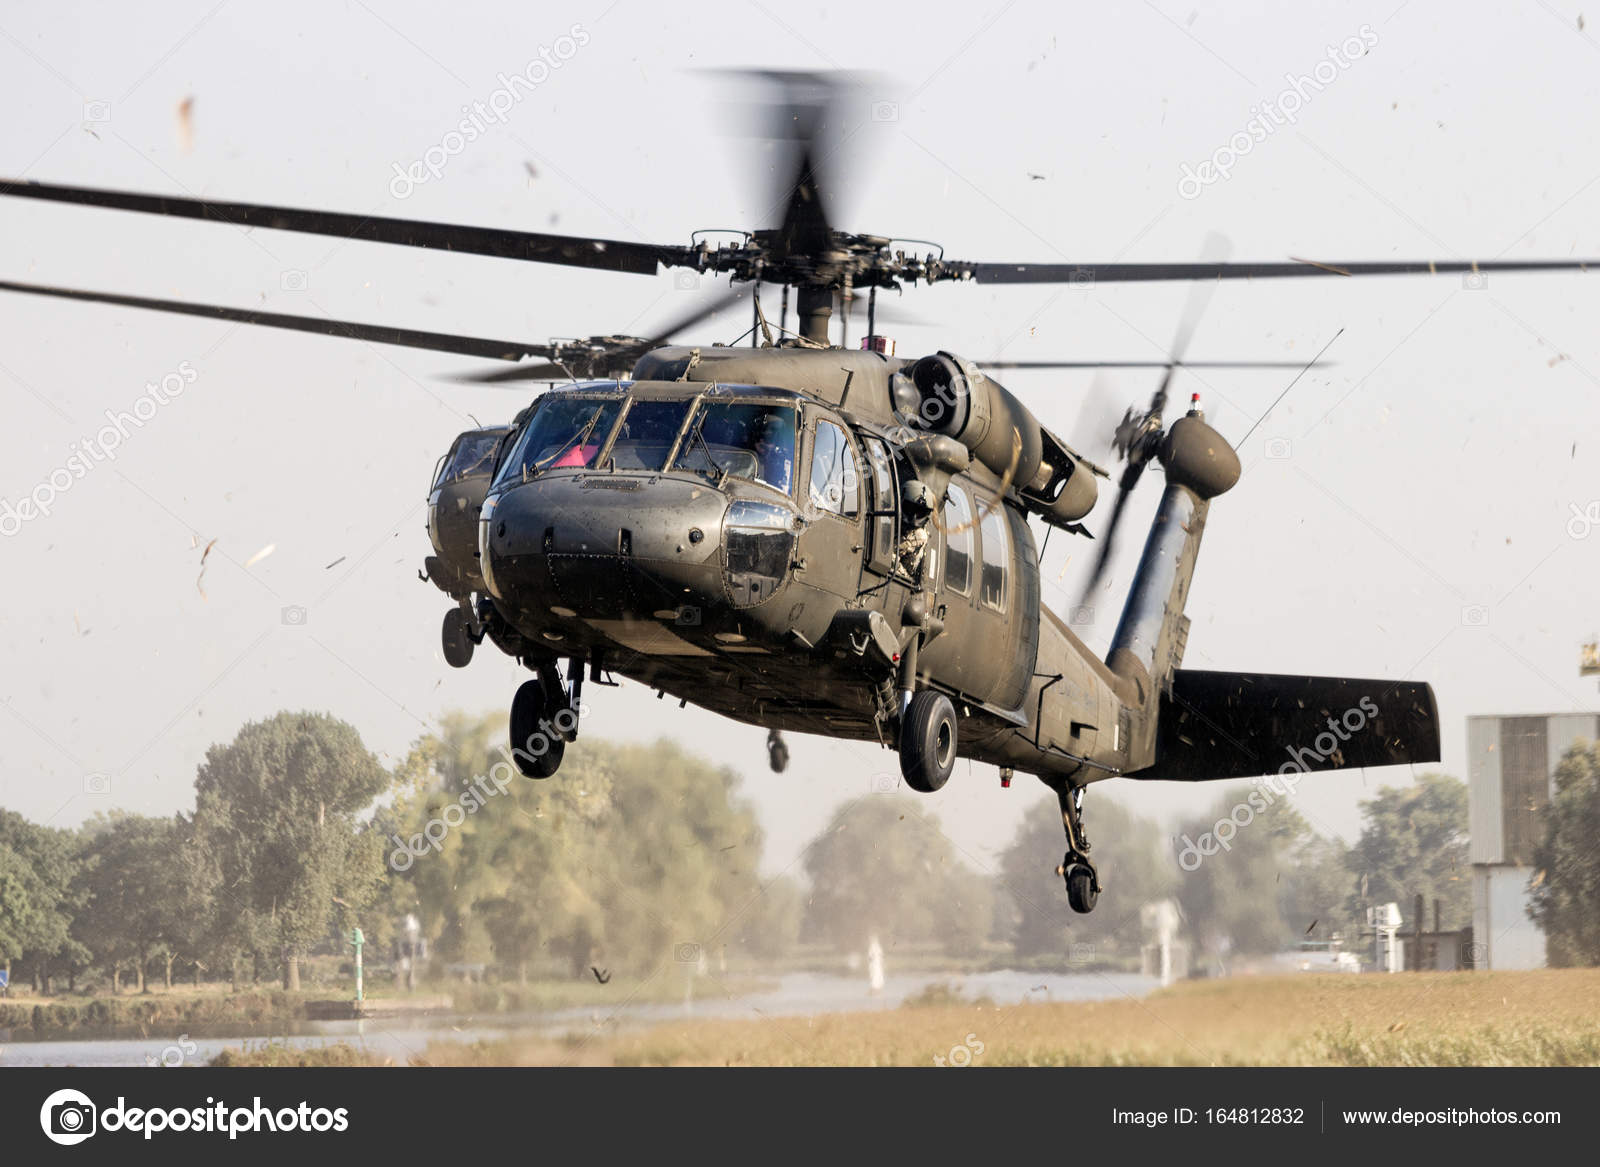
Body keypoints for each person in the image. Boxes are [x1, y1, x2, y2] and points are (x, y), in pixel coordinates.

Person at [752, 409, 794, 493]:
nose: (761, 442)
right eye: (760, 438)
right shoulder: (750, 457)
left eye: (768, 439)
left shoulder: (784, 461)